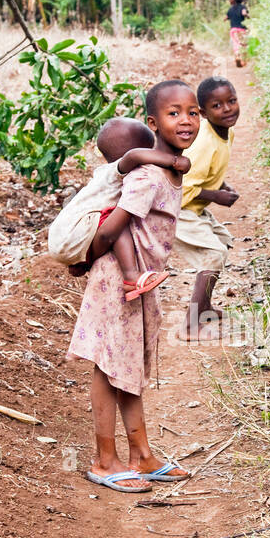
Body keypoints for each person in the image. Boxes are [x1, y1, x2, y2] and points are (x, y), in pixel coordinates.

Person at [67, 80, 201, 492]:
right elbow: (110, 230)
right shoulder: (148, 175)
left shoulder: (167, 170)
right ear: (153, 123)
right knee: (109, 369)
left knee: (128, 369)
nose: (186, 120)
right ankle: (105, 460)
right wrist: (93, 257)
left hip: (140, 285)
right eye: (174, 113)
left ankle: (142, 456)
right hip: (117, 284)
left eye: (193, 112)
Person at [48, 118, 188, 300]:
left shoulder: (102, 173)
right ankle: (131, 276)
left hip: (64, 236)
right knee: (117, 223)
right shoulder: (117, 170)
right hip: (72, 232)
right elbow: (133, 156)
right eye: (150, 150)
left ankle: (82, 262)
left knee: (111, 219)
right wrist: (174, 161)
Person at [174, 76, 239, 340]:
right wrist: (216, 196)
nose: (227, 109)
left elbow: (210, 172)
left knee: (221, 243)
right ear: (203, 112)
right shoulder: (204, 142)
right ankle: (190, 325)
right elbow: (182, 186)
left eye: (231, 101)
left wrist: (222, 185)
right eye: (217, 106)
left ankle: (204, 308)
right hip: (178, 208)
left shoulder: (226, 131)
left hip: (195, 206)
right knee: (212, 253)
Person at [226, 0, 248, 66]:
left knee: (235, 43)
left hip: (233, 30)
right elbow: (244, 13)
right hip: (242, 29)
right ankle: (243, 60)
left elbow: (227, 17)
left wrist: (226, 19)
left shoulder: (231, 9)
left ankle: (237, 55)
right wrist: (247, 16)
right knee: (243, 43)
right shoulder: (243, 7)